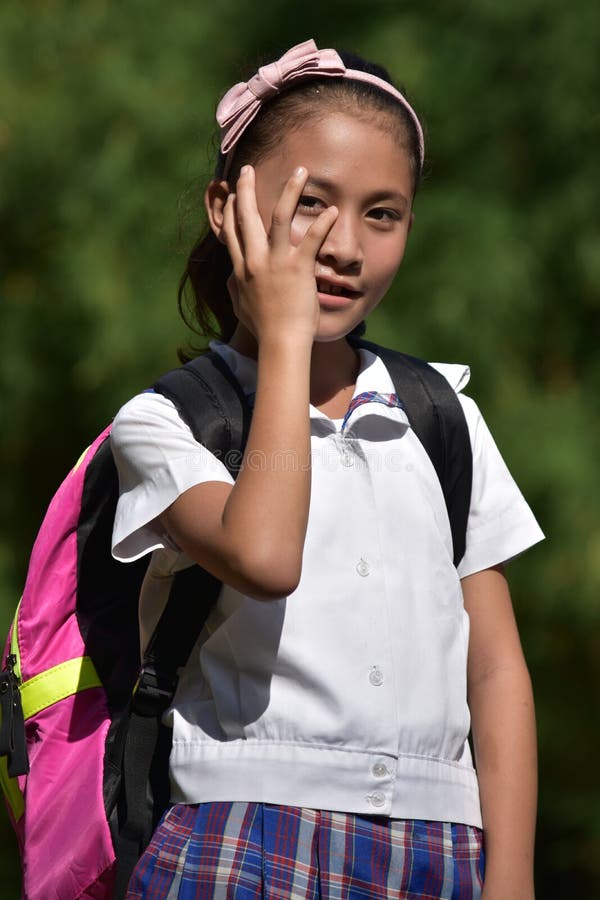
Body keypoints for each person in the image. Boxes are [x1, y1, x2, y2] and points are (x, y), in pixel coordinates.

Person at [111, 39, 543, 900]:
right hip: (244, 836)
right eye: (312, 204)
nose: (346, 245)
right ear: (226, 207)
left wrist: (514, 877)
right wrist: (281, 338)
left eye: (383, 214)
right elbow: (266, 558)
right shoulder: (165, 424)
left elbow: (494, 666)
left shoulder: (442, 415)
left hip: (445, 849)